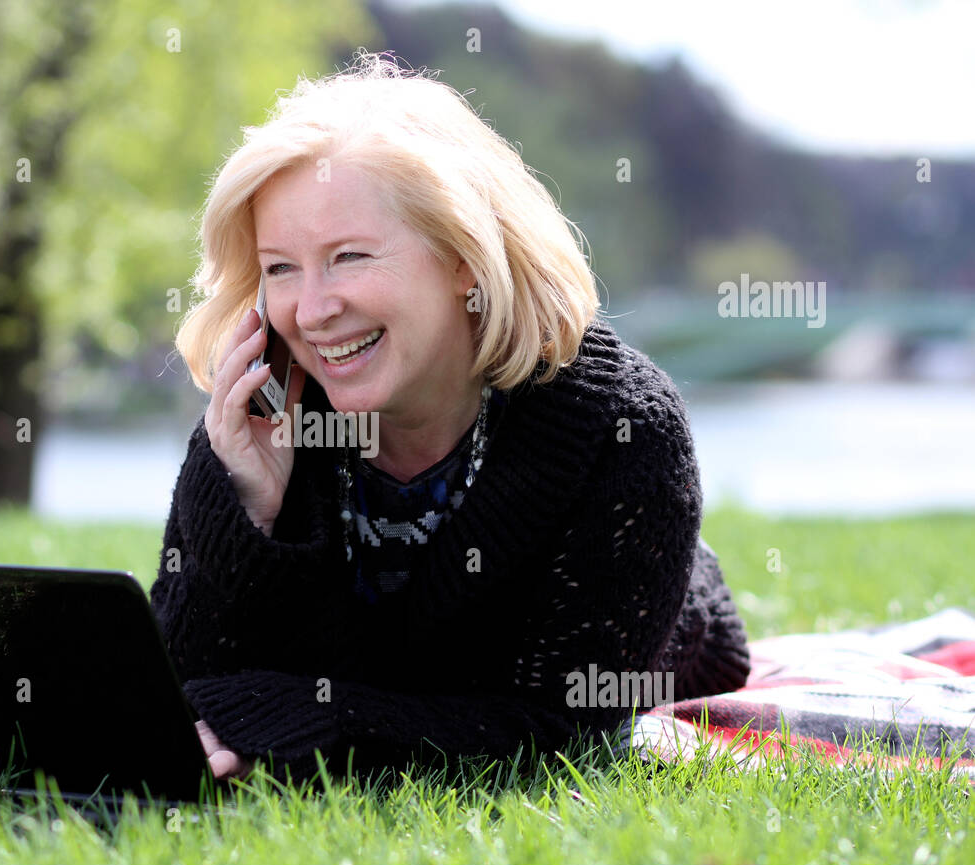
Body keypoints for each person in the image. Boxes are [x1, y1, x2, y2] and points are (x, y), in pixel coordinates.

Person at [151, 53, 751, 783]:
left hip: (656, 629)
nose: (310, 311)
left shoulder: (624, 433)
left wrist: (312, 721)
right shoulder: (262, 417)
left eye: (348, 257)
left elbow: (555, 731)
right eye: (280, 268)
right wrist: (247, 509)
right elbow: (181, 693)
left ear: (464, 258)